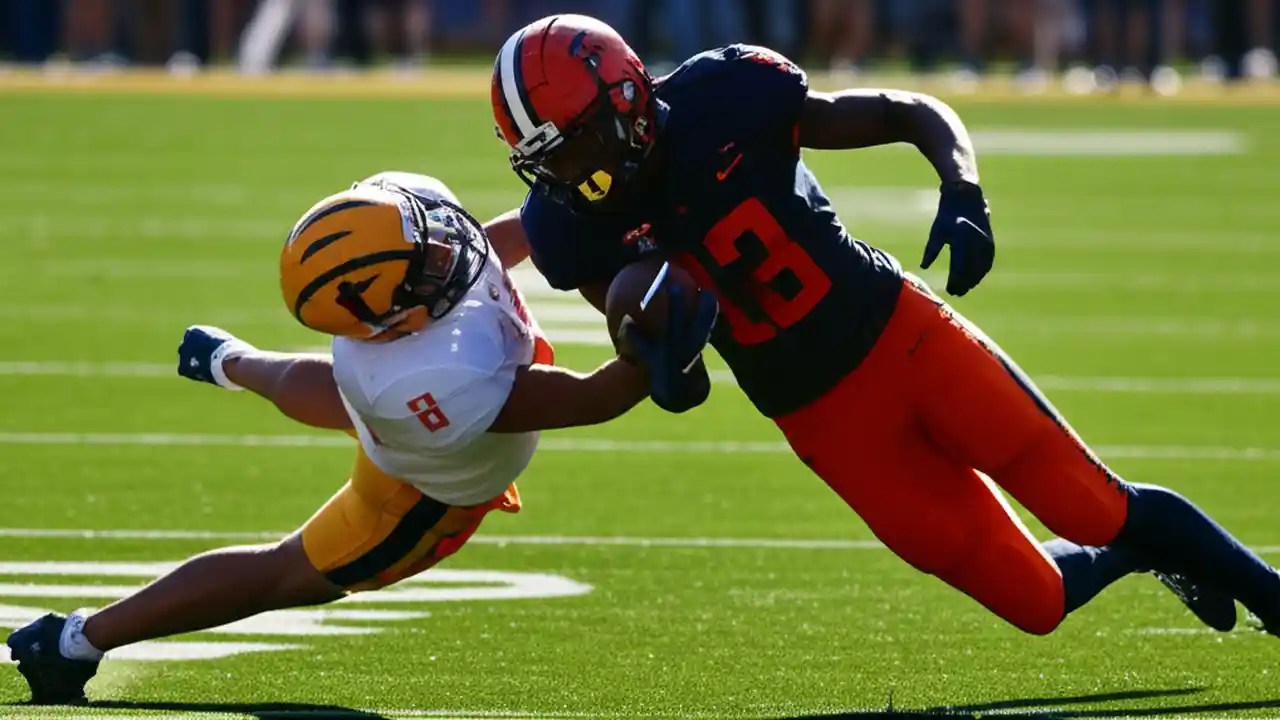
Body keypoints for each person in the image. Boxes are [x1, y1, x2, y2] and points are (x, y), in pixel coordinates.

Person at [488, 14, 1280, 640]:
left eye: (575, 144)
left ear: (625, 94)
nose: (566, 174)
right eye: (545, 160)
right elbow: (682, 391)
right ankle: (1144, 555)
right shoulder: (570, 228)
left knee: (1092, 505)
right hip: (820, 418)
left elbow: (907, 111)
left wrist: (962, 188)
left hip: (903, 335)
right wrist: (662, 364)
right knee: (1036, 602)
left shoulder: (725, 96)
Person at [6, 172, 709, 705]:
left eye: (428, 237)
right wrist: (659, 346)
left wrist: (580, 207)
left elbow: (493, 244)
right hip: (422, 489)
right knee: (282, 575)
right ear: (391, 323)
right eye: (429, 263)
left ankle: (230, 361)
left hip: (392, 400)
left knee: (319, 387)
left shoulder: (410, 235)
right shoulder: (434, 376)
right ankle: (75, 640)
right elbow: (591, 398)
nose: (448, 247)